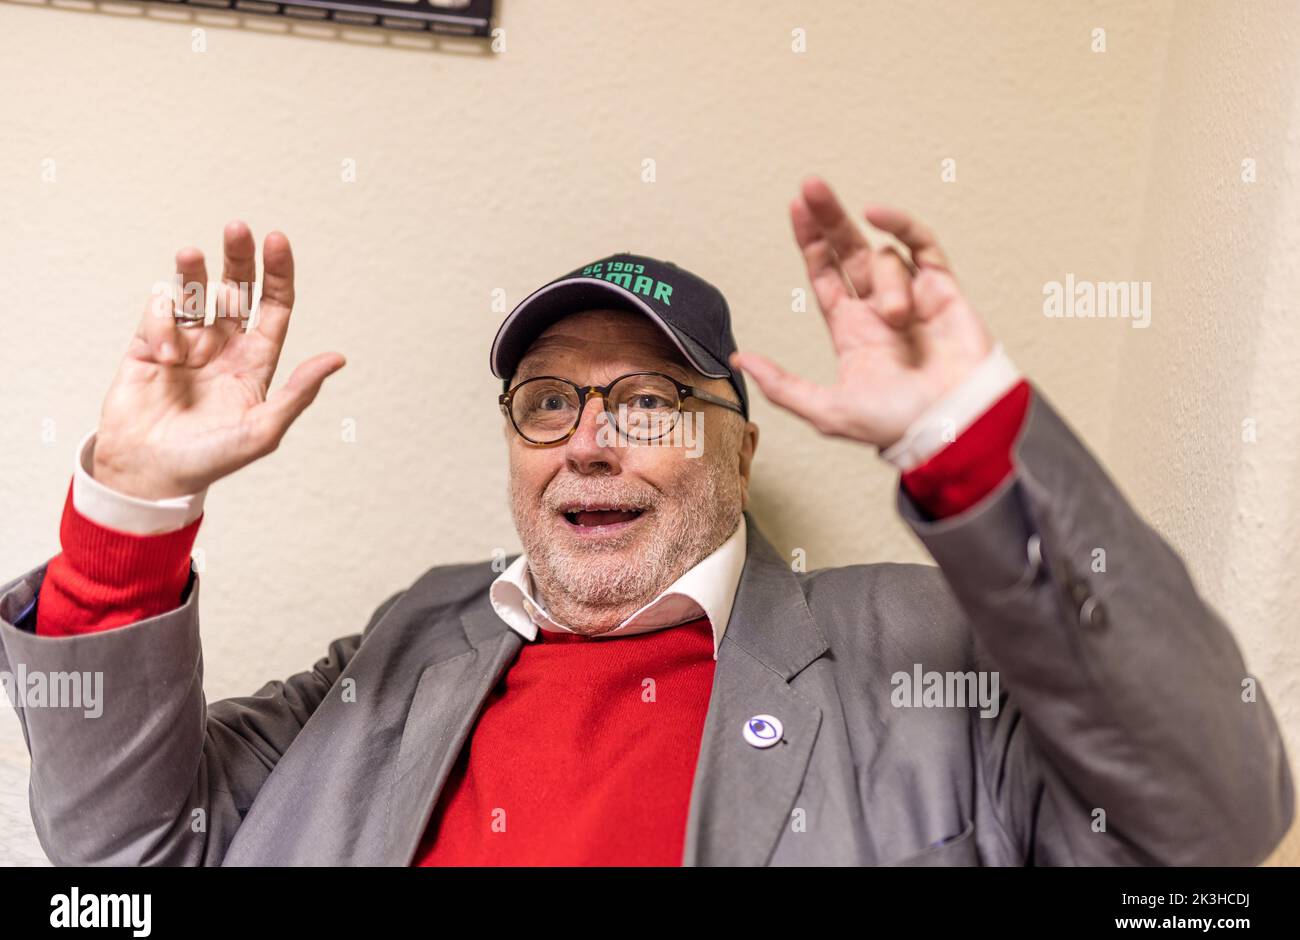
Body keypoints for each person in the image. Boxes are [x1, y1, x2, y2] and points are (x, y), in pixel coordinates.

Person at [0, 176, 1291, 866]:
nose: (591, 438)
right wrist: (136, 499)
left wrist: (969, 438)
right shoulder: (406, 639)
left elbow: (1216, 819)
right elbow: (122, 853)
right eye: (547, 400)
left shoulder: (916, 642)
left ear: (741, 440)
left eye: (653, 402)